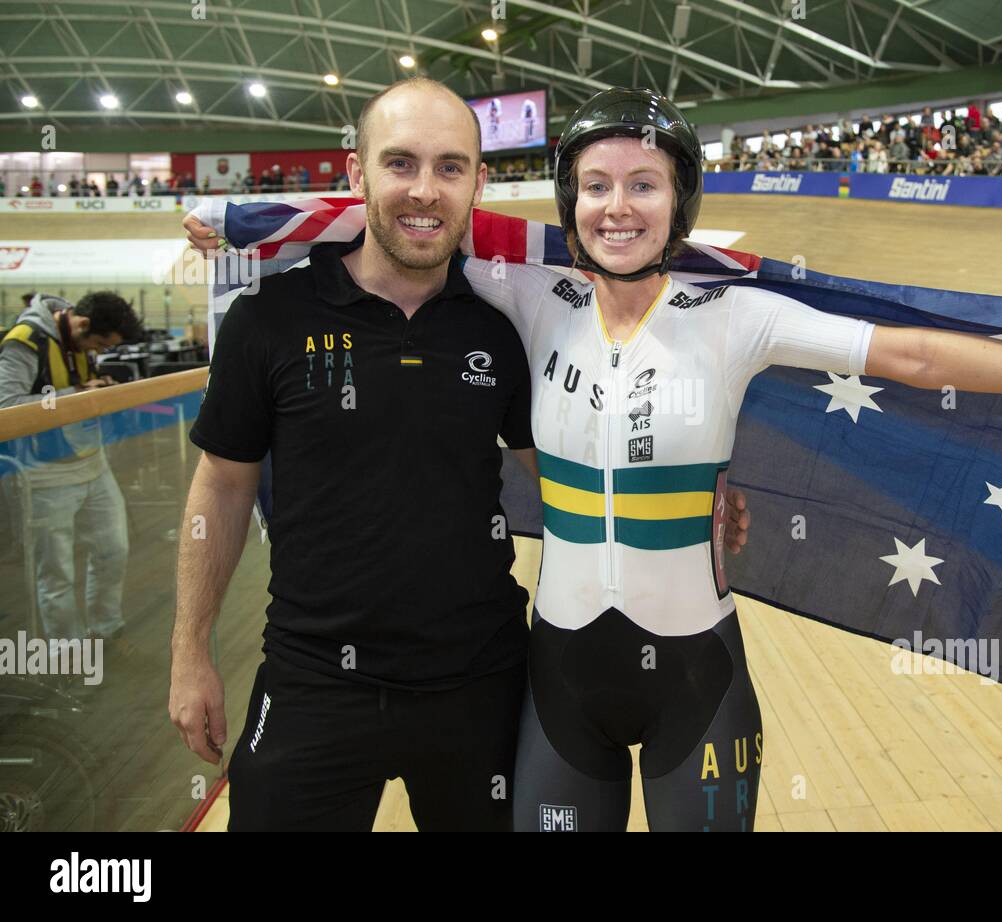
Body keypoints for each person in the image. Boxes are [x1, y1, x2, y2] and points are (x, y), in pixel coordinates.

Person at [187, 85, 1002, 832]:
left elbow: (908, 352)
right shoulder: (525, 300)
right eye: (595, 187)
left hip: (698, 678)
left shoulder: (743, 318)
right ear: (568, 204)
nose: (618, 206)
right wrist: (242, 221)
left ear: (678, 202)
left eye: (644, 185)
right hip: (549, 682)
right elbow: (415, 221)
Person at [173, 77, 755, 832]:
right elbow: (220, 483)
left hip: (479, 686)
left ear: (478, 184)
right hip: (311, 681)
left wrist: (675, 501)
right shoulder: (271, 320)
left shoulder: (499, 327)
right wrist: (191, 653)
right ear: (357, 174)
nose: (425, 190)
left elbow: (554, 457)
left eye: (450, 168)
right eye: (401, 164)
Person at [0, 292, 141, 647]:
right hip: (45, 472)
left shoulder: (79, 337)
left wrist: (100, 391)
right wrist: (78, 393)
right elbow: (7, 406)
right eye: (96, 344)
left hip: (93, 462)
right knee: (57, 571)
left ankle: (105, 629)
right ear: (82, 324)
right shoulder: (25, 341)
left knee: (113, 549)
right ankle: (68, 651)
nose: (95, 352)